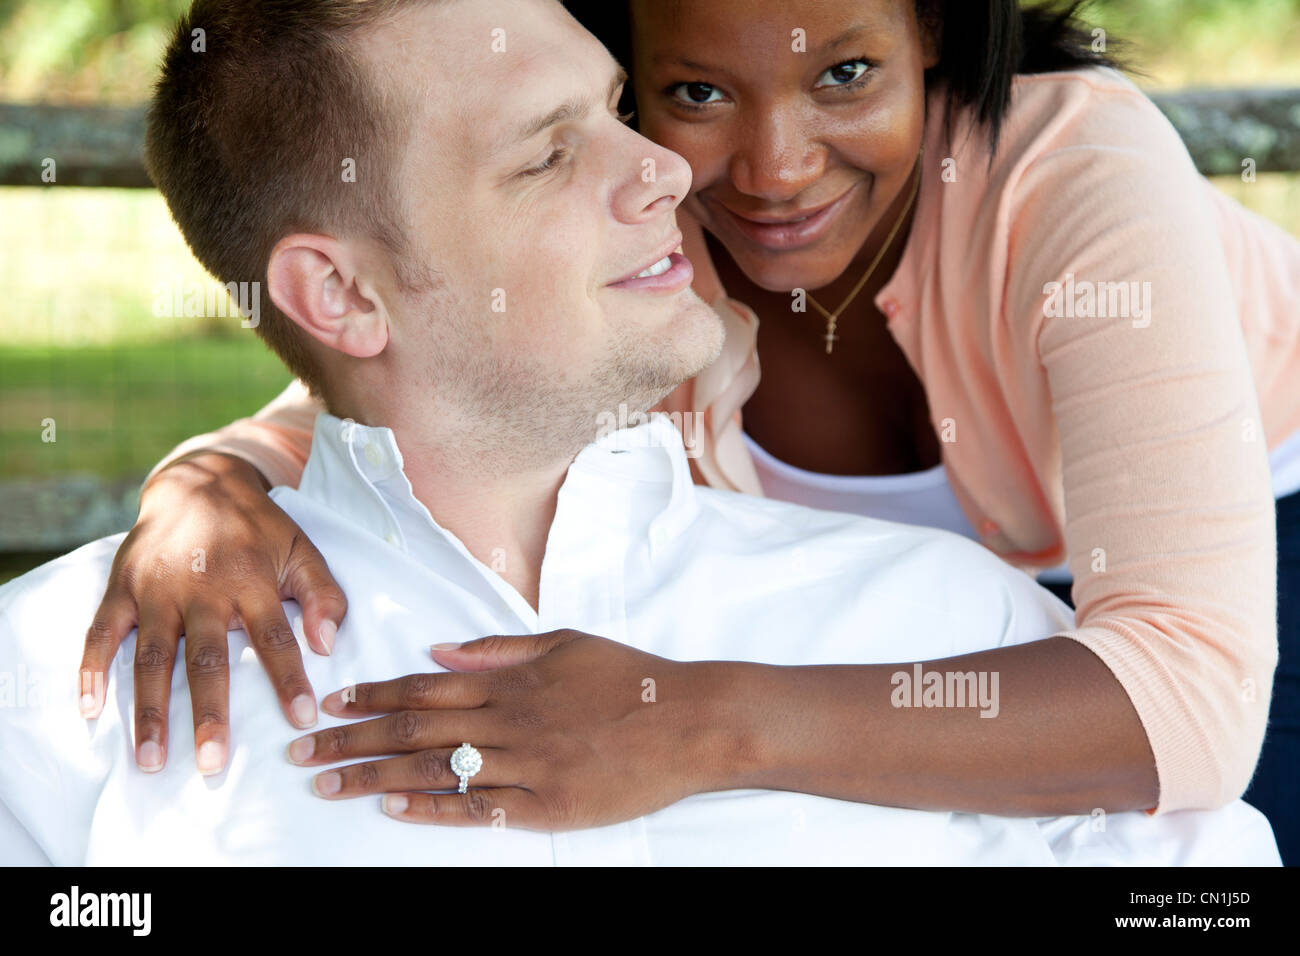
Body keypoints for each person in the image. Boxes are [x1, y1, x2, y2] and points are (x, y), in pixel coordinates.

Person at [0, 0, 1279, 866]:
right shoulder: (58, 685)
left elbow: (1184, 705)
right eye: (567, 143)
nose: (746, 170)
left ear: (929, 40)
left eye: (844, 71)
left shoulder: (1071, 183)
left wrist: (690, 720)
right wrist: (210, 478)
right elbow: (387, 379)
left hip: (1232, 544)